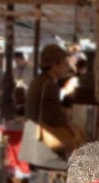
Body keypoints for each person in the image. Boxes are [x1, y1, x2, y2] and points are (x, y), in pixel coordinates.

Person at [19, 43, 82, 171]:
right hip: (46, 148)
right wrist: (68, 97)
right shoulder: (50, 85)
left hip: (33, 144)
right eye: (64, 63)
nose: (67, 66)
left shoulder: (37, 81)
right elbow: (54, 118)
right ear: (54, 66)